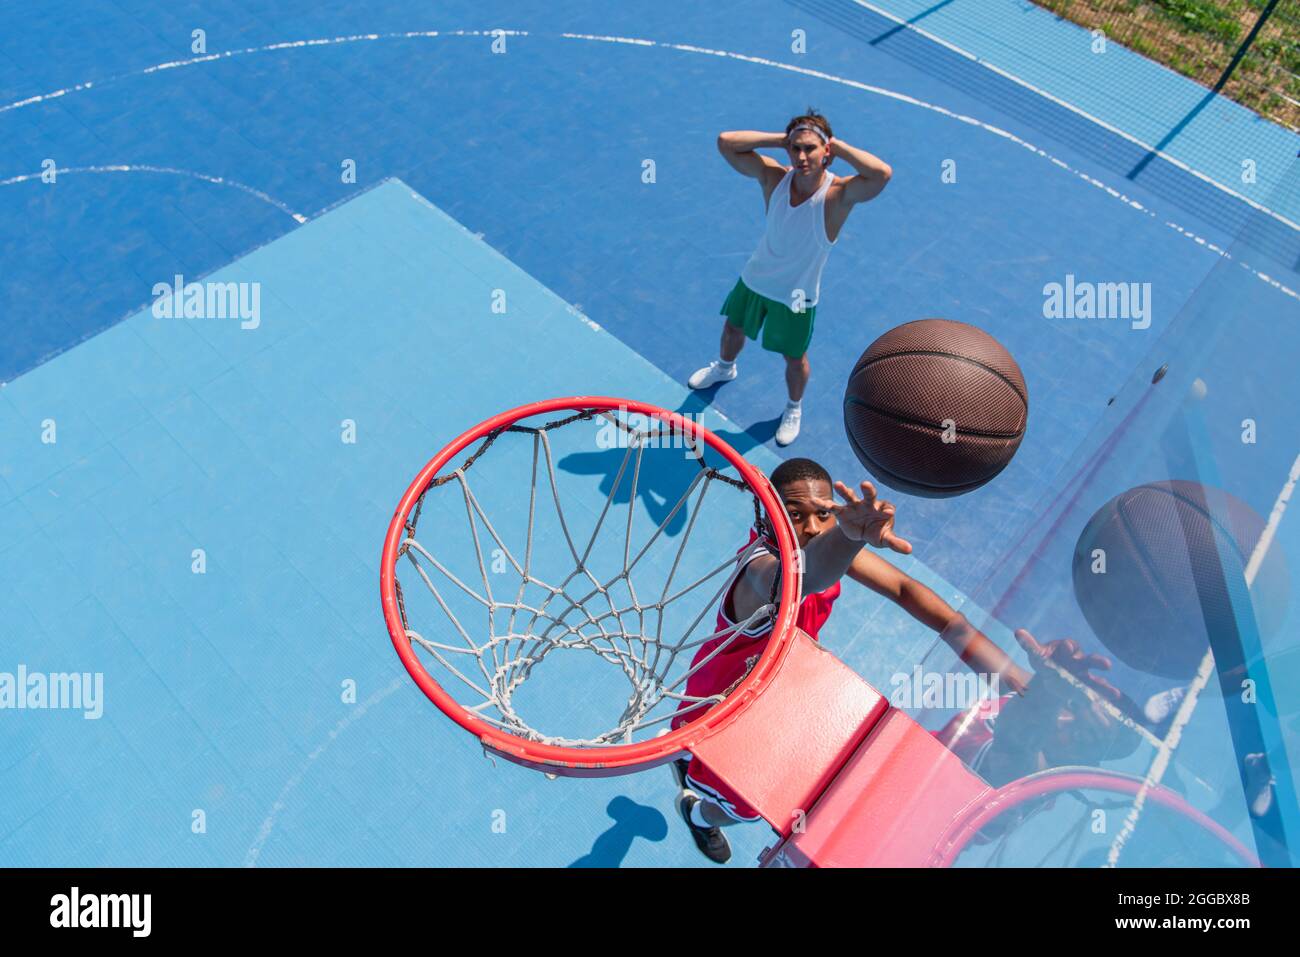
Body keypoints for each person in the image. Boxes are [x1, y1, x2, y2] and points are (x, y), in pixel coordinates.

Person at [670, 457, 1031, 863]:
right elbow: (806, 576)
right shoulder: (760, 567)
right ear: (767, 511)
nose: (810, 527)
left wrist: (1008, 671)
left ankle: (692, 778)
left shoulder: (825, 546)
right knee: (743, 805)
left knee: (730, 779)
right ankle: (698, 814)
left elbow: (905, 590)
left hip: (780, 691)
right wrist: (846, 535)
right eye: (794, 515)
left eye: (823, 514)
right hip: (728, 698)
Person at [688, 111, 892, 446]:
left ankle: (793, 408)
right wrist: (778, 139)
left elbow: (881, 174)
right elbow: (726, 142)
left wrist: (838, 145)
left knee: (794, 358)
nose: (801, 156)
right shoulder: (774, 178)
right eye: (794, 148)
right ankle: (725, 368)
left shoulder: (837, 195)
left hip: (796, 296)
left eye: (810, 148)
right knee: (732, 329)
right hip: (755, 279)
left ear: (826, 151)